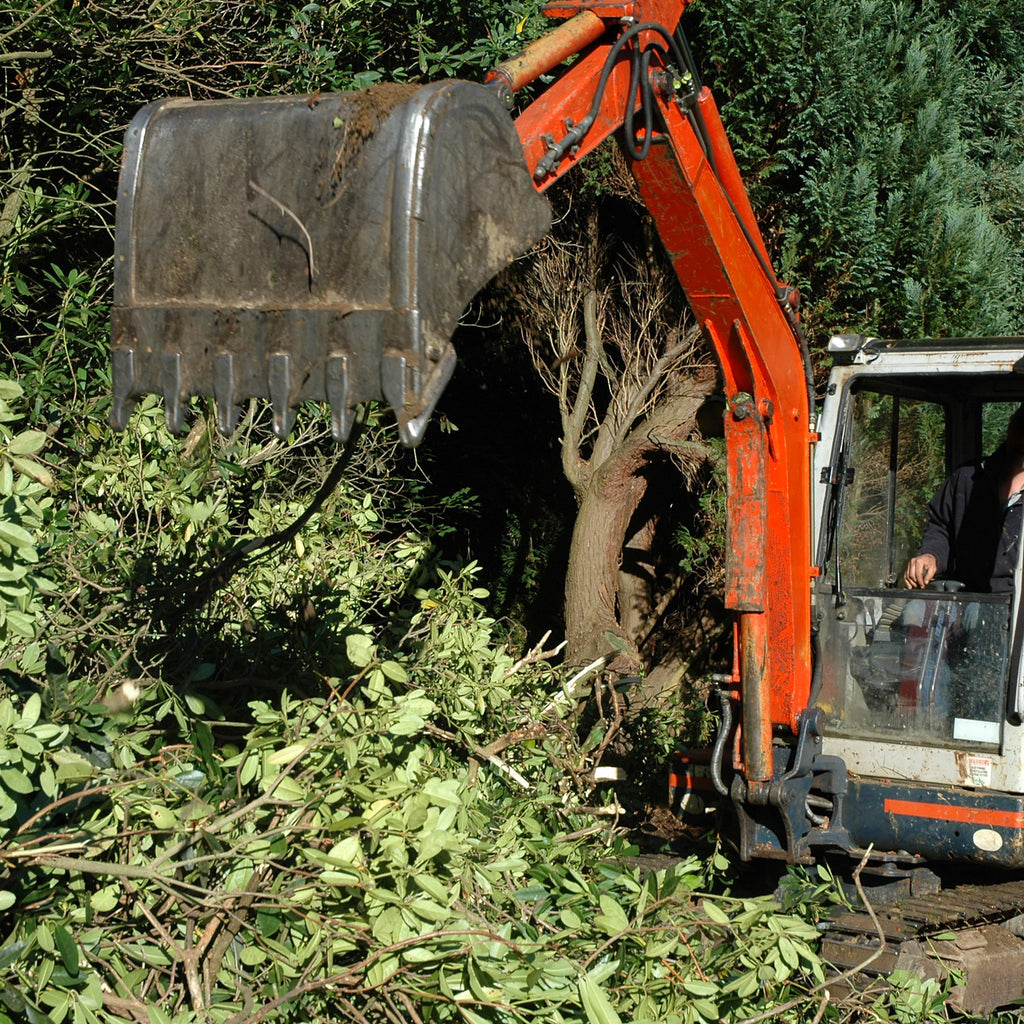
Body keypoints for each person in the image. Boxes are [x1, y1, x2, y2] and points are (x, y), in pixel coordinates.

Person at [904, 404, 1024, 593]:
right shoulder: (966, 479)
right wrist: (931, 555)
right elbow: (941, 527)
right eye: (1021, 426)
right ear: (1012, 427)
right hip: (964, 599)